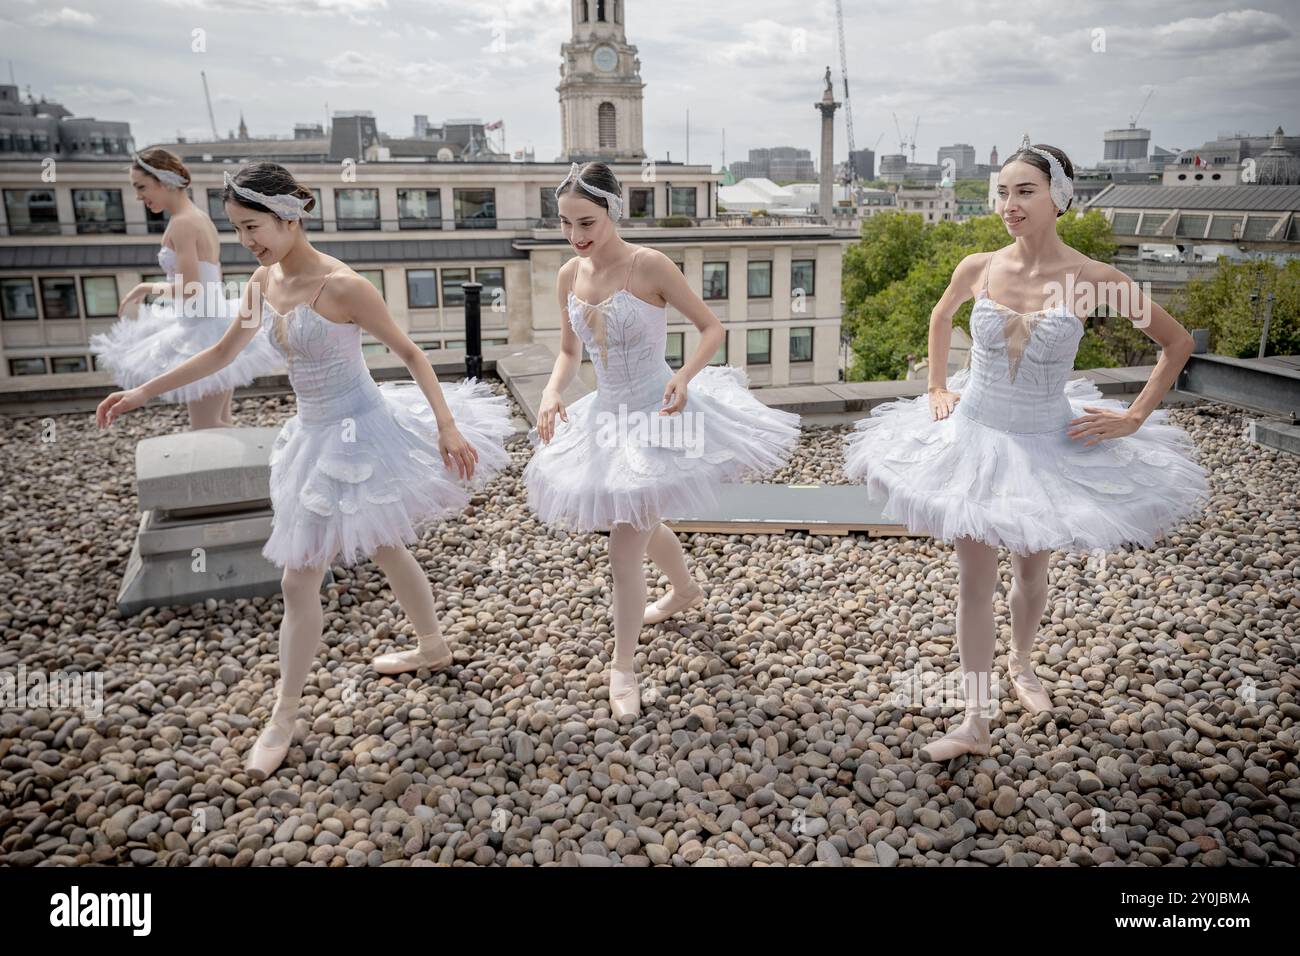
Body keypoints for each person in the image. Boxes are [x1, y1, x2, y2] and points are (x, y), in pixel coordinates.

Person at [97, 162, 514, 775]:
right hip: (313, 437)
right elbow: (219, 352)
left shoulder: (344, 286)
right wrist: (142, 393)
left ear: (290, 216)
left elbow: (412, 353)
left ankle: (285, 714)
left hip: (363, 427)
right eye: (238, 230)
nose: (248, 241)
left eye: (254, 226)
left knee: (314, 574)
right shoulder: (262, 283)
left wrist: (447, 424)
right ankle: (426, 648)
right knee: (374, 551)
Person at [842, 137, 1210, 761]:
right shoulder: (980, 266)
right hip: (974, 437)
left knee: (1033, 571)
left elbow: (1176, 344)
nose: (1009, 205)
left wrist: (1134, 417)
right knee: (973, 581)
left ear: (1059, 198)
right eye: (1003, 192)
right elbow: (941, 316)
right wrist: (936, 385)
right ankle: (975, 720)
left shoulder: (1095, 281)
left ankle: (1023, 663)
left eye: (1025, 191)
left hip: (1047, 442)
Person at [524, 161, 801, 721]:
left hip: (658, 410)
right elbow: (569, 352)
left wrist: (683, 376)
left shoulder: (648, 265)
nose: (576, 236)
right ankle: (684, 591)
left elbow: (711, 328)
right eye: (565, 224)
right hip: (606, 416)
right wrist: (553, 392)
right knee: (640, 518)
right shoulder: (567, 275)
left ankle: (622, 666)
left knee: (623, 542)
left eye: (587, 223)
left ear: (613, 212)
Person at [90, 148, 280, 429]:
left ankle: (259, 460)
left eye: (141, 187)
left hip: (201, 328)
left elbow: (191, 288)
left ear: (164, 181)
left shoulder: (183, 224)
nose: (139, 196)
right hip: (211, 321)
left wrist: (146, 287)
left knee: (207, 426)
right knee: (218, 420)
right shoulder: (197, 217)